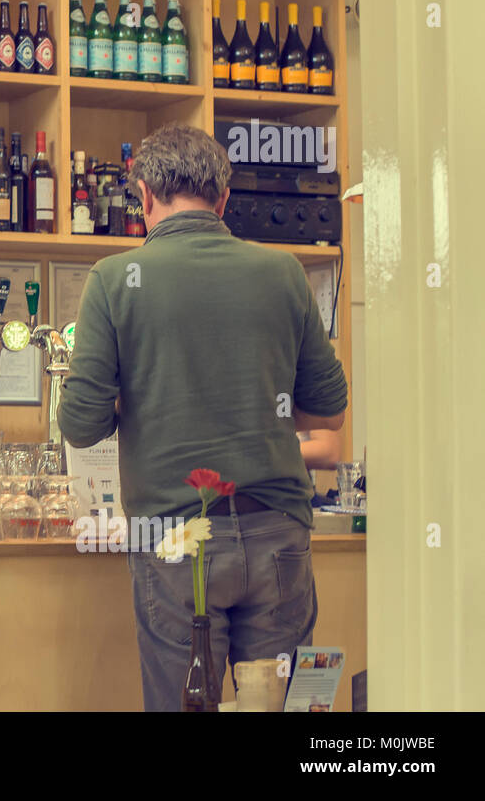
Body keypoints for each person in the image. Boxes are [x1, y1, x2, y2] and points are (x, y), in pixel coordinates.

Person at [57, 122, 348, 712]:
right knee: (285, 707)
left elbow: (81, 424)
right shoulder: (283, 271)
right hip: (279, 533)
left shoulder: (114, 280)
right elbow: (329, 411)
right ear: (223, 200)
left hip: (175, 537)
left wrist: (146, 401)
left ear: (141, 196)